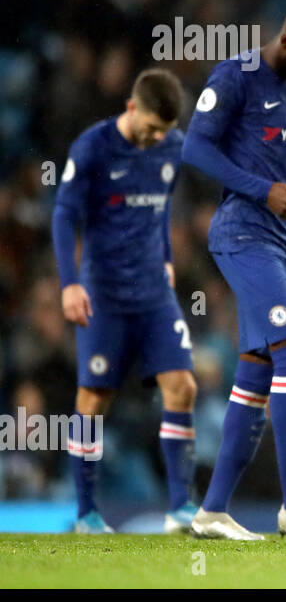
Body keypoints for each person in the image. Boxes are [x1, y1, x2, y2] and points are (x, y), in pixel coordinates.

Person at [182, 1, 286, 540]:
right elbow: (194, 148)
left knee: (256, 372)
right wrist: (264, 192)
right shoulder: (236, 76)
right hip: (242, 233)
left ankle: (211, 512)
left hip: (285, 243)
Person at [52, 68, 198, 534]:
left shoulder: (172, 149)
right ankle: (85, 514)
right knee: (94, 399)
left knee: (184, 387)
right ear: (132, 107)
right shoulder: (93, 147)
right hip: (105, 295)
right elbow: (63, 215)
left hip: (154, 293)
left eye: (165, 131)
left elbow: (161, 208)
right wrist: (69, 283)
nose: (158, 138)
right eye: (153, 127)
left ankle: (181, 509)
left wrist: (169, 257)